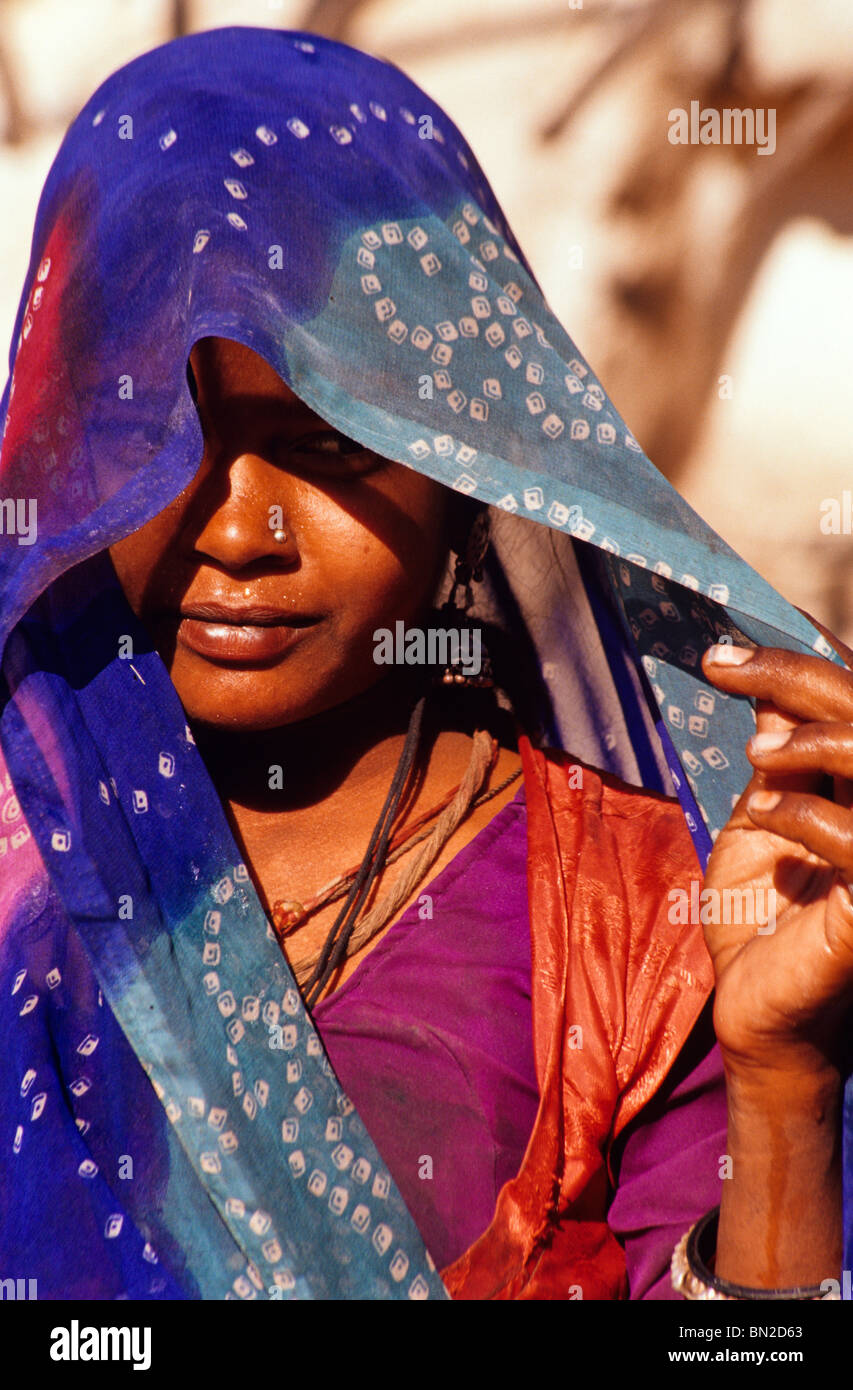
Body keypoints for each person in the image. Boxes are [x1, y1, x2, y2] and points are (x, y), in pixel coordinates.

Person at [1, 25, 852, 1302]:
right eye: (158, 441)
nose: (241, 533)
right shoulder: (21, 845)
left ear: (467, 467)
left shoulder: (650, 918)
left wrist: (781, 1088)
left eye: (333, 446)